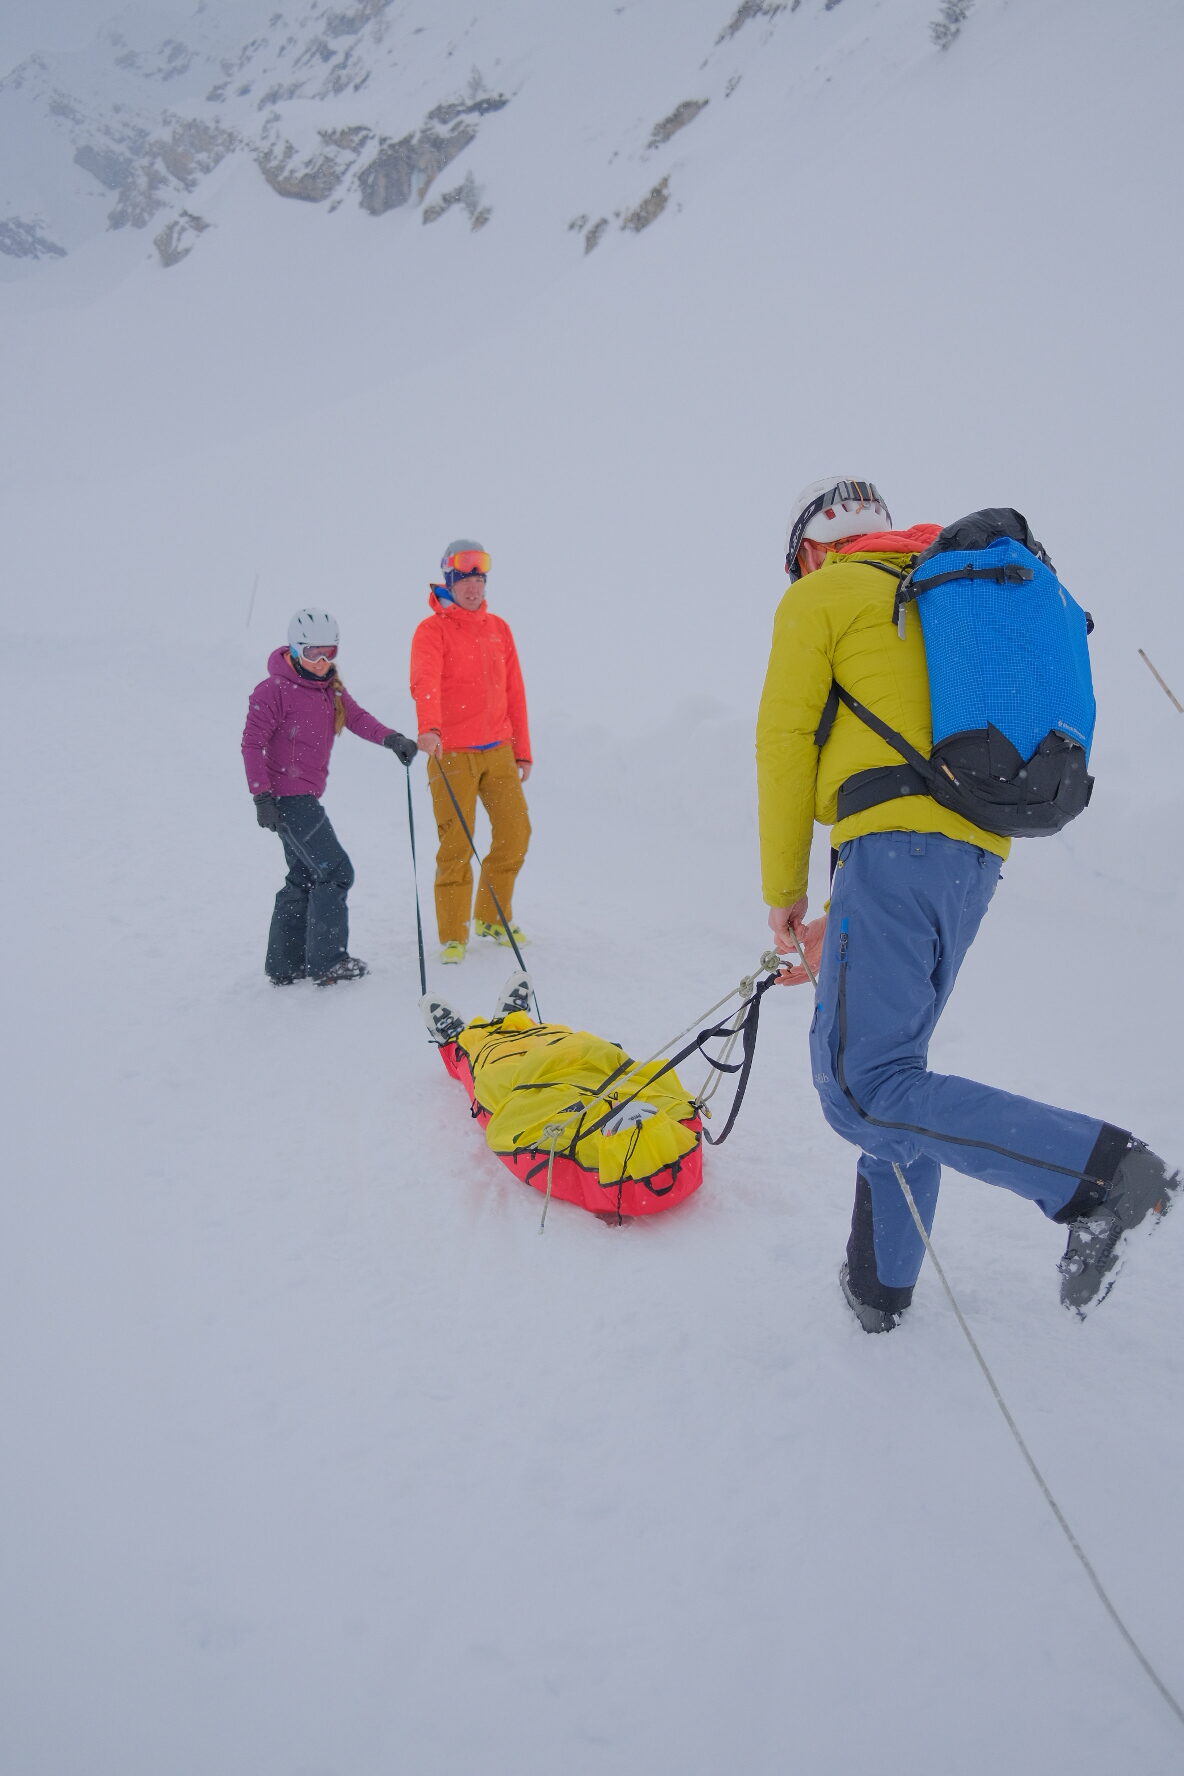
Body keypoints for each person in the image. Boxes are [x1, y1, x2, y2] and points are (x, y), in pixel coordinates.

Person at [756, 477, 1179, 1330]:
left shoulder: (823, 595)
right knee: (894, 1068)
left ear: (809, 550)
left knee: (861, 1087)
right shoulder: (945, 596)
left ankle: (1102, 1177)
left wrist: (785, 897)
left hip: (890, 845)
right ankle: (880, 1286)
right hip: (971, 855)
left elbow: (784, 741)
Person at [243, 606, 418, 985]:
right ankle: (327, 962)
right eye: (313, 654)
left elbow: (356, 718)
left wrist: (393, 739)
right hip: (288, 799)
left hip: (303, 796)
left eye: (330, 653)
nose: (322, 662)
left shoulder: (329, 688)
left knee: (304, 875)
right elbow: (252, 745)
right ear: (294, 650)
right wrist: (262, 798)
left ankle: (285, 965)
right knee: (336, 871)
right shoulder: (273, 690)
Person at [410, 539, 532, 964]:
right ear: (449, 581)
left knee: (516, 834)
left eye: (480, 578)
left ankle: (492, 918)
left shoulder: (498, 629)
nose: (474, 587)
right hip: (452, 753)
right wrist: (429, 728)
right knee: (456, 845)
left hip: (498, 748)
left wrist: (523, 750)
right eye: (465, 579)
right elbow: (425, 682)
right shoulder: (432, 631)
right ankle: (453, 934)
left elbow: (514, 690)